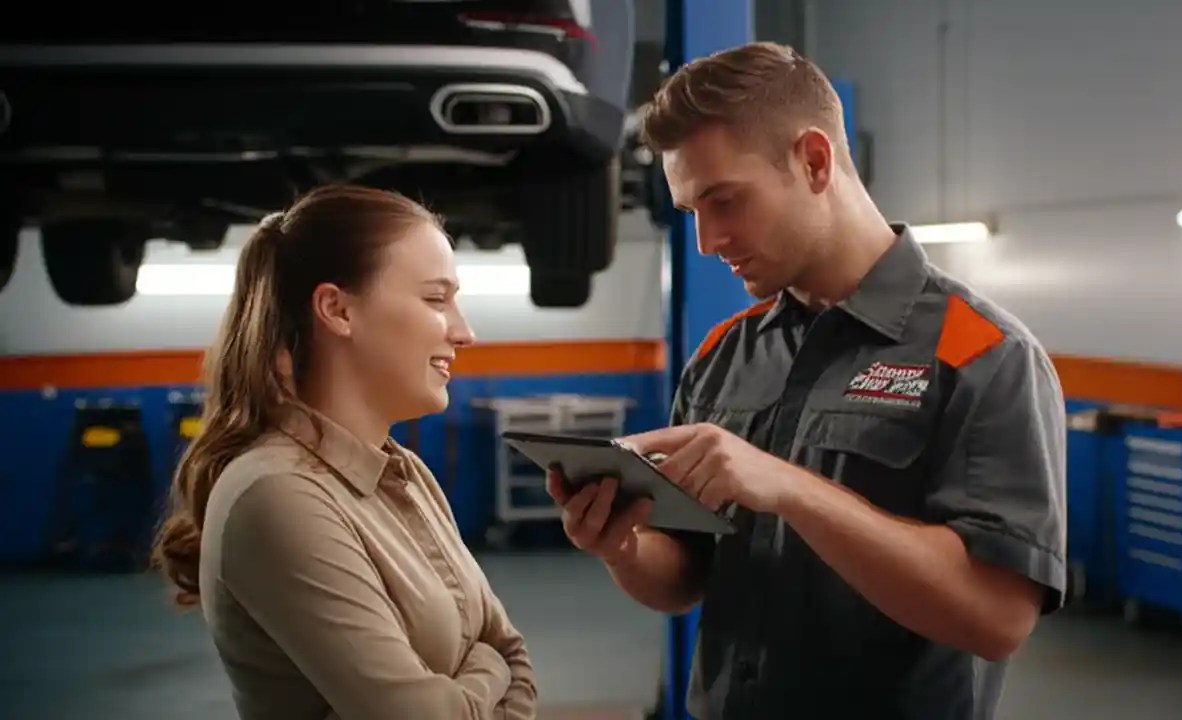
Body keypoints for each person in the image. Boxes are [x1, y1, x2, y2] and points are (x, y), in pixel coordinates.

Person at [546, 41, 1067, 719]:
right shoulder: (725, 353)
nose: (707, 240)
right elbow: (689, 574)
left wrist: (791, 488)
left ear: (814, 161)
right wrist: (622, 547)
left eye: (724, 201)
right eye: (691, 212)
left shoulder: (983, 355)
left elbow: (997, 620)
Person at [152, 184, 537, 720]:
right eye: (435, 298)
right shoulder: (277, 494)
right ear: (337, 309)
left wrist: (480, 674)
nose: (464, 330)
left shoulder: (405, 473)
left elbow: (512, 652)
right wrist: (487, 669)